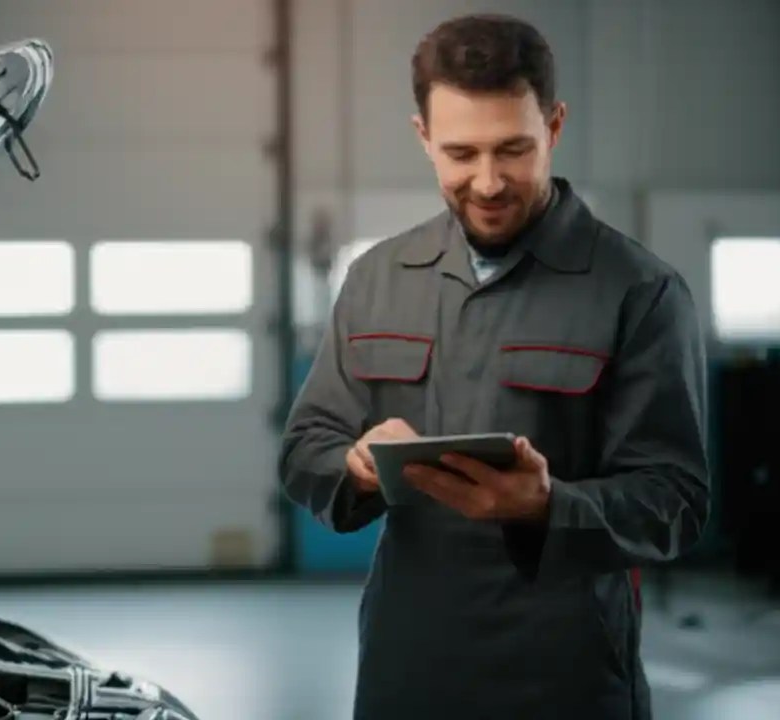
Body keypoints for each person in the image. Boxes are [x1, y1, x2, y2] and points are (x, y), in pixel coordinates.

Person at [279, 13, 710, 720]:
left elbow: (675, 501)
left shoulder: (639, 291)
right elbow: (304, 449)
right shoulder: (377, 278)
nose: (487, 182)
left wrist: (549, 506)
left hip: (565, 679)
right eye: (460, 153)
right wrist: (354, 466)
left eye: (514, 149)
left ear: (556, 126)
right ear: (422, 137)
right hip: (406, 671)